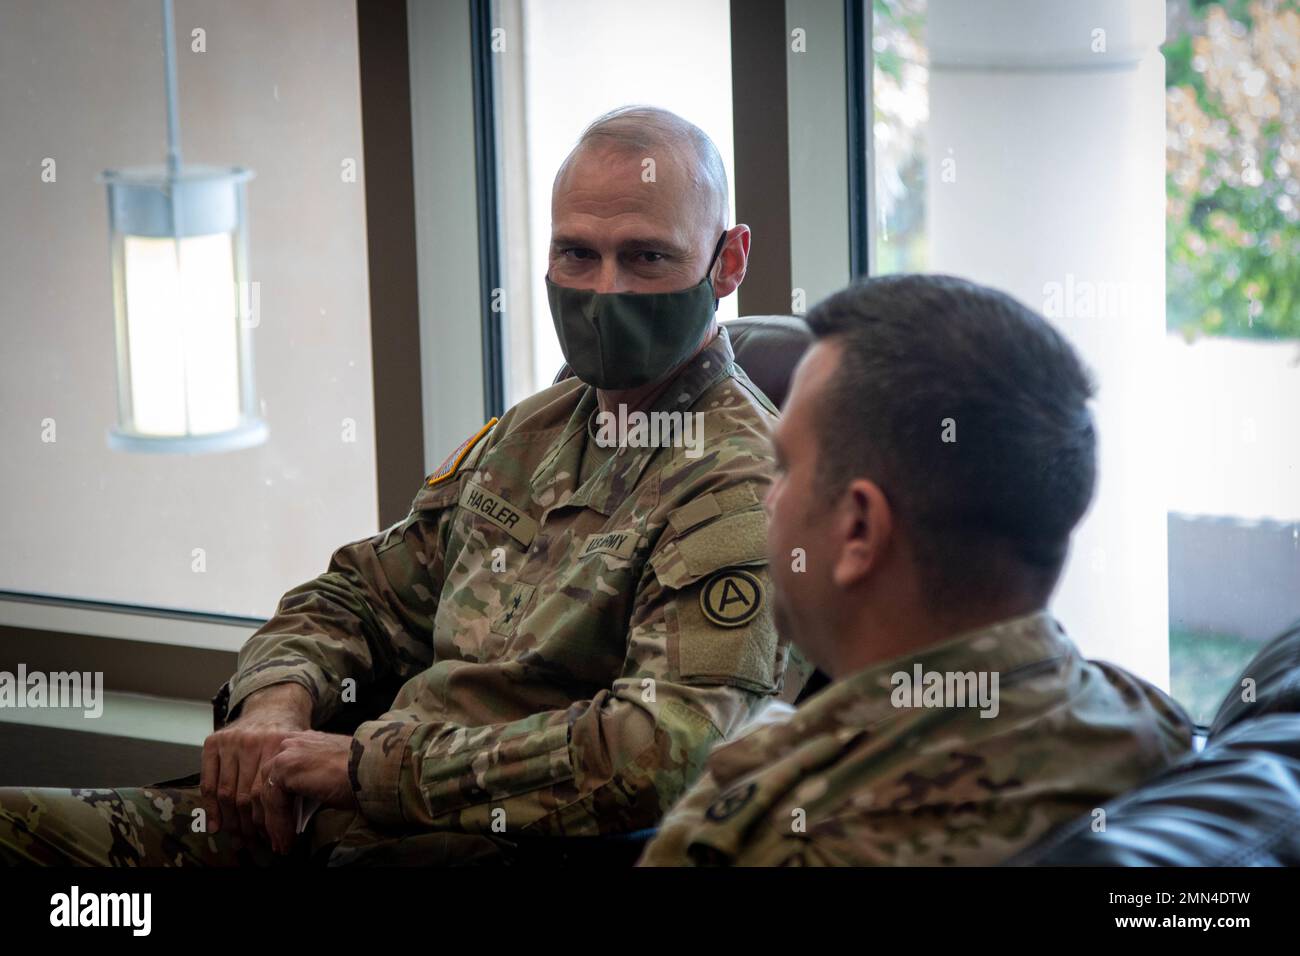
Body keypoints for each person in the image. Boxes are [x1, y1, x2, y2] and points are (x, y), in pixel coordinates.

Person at [0, 106, 810, 866]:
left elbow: (661, 751)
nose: (604, 291)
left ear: (727, 260)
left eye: (646, 256)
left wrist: (363, 768)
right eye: (576, 253)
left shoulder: (743, 481)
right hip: (314, 814)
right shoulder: (535, 429)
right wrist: (275, 702)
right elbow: (362, 593)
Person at [638, 273, 1194, 866]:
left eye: (784, 467)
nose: (768, 500)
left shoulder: (766, 834)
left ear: (859, 529)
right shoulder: (1153, 728)